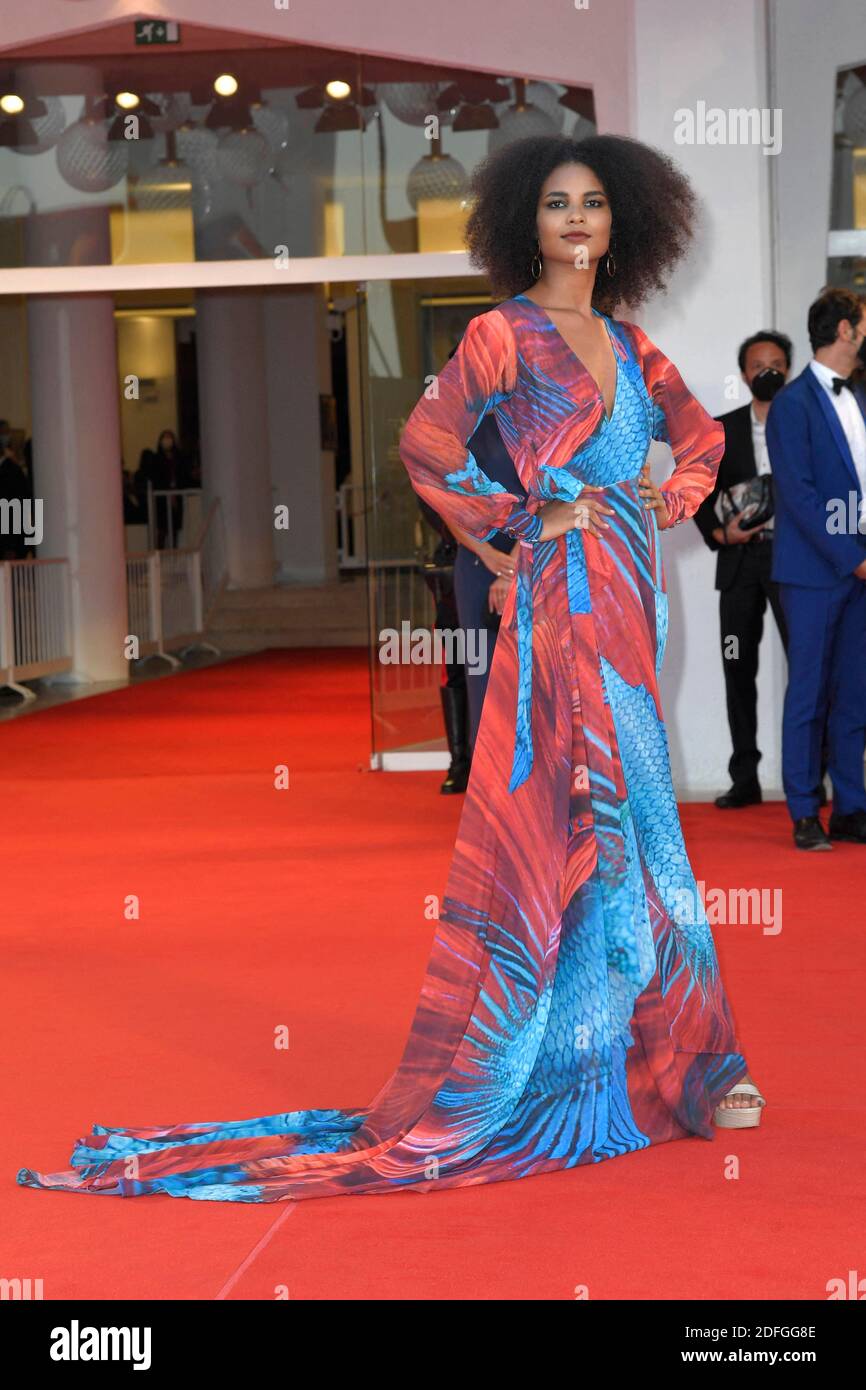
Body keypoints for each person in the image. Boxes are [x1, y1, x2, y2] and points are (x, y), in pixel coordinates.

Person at [16, 134, 765, 1205]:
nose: (574, 222)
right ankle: (618, 1063)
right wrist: (519, 518)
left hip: (633, 606)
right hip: (559, 605)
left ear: (619, 225)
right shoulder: (501, 336)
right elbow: (426, 442)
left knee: (643, 820)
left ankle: (683, 1059)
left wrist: (670, 499)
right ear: (527, 222)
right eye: (555, 204)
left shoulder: (633, 346)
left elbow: (700, 445)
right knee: (585, 814)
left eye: (592, 205)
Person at [766, 287, 866, 851]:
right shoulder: (792, 403)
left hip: (859, 568)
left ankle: (852, 807)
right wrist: (853, 558)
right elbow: (800, 497)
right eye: (864, 323)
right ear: (846, 331)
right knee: (808, 693)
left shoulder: (860, 396)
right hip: (814, 573)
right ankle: (805, 810)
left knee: (856, 694)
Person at [693, 332, 792, 807]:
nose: (768, 371)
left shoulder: (806, 423)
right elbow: (694, 488)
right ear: (744, 374)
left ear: (789, 371)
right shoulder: (719, 430)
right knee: (737, 667)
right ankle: (745, 778)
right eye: (759, 365)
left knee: (808, 670)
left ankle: (809, 778)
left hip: (796, 564)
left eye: (777, 364)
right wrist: (718, 532)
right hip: (738, 566)